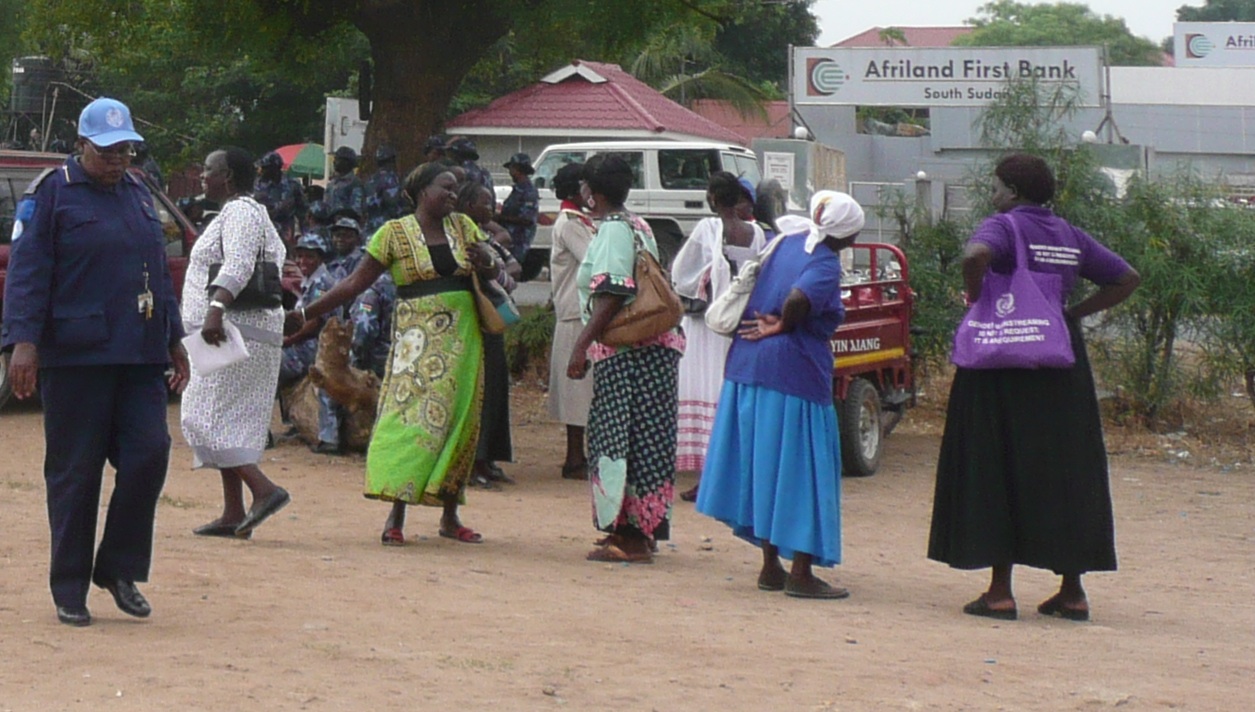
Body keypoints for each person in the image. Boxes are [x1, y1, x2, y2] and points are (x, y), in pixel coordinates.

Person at [0, 97, 190, 627]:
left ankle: (118, 568)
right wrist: (24, 342)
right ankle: (69, 586)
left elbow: (155, 269)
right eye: (107, 150)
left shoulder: (138, 193)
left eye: (126, 149)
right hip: (77, 356)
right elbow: (27, 273)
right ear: (81, 144)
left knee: (150, 455)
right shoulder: (50, 195)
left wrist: (174, 338)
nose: (117, 159)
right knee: (75, 474)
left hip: (140, 351)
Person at [927, 153, 1141, 622]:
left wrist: (976, 294)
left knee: (998, 464)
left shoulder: (1004, 226)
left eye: (997, 187)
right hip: (1062, 366)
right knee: (1066, 471)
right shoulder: (1067, 234)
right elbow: (1126, 277)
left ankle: (1000, 592)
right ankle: (1072, 592)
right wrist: (1071, 315)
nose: (993, 195)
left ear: (1014, 192)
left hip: (1002, 366)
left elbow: (973, 255)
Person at [283, 162, 501, 546]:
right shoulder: (393, 234)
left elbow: (495, 270)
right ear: (421, 191)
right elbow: (353, 283)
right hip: (415, 347)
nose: (454, 195)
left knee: (459, 423)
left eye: (456, 189)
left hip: (463, 344)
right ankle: (395, 512)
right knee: (405, 420)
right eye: (446, 187)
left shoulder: (464, 228)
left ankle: (450, 515)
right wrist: (305, 313)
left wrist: (488, 261)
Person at [696, 190, 863, 600]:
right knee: (802, 469)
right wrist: (785, 326)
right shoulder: (824, 262)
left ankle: (770, 566)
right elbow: (798, 298)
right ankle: (801, 572)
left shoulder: (785, 241)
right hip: (794, 372)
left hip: (746, 365)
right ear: (846, 238)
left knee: (762, 465)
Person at [566, 154, 685, 564]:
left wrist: (581, 346)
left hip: (630, 354)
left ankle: (632, 536)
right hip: (652, 351)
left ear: (591, 192)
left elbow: (613, 292)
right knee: (645, 437)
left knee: (621, 438)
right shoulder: (638, 224)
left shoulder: (615, 231)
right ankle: (634, 527)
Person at [180, 147, 291, 540]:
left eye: (208, 171)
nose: (202, 177)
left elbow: (241, 263)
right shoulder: (246, 212)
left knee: (200, 416)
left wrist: (214, 308)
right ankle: (233, 510)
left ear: (227, 175)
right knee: (227, 418)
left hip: (233, 331)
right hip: (238, 331)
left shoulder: (241, 211)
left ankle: (265, 490)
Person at [670, 173, 766, 502]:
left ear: (712, 198)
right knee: (729, 395)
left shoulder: (707, 229)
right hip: (740, 325)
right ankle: (733, 478)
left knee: (704, 392)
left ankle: (707, 480)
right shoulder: (755, 234)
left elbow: (681, 275)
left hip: (706, 325)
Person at [457, 181, 517, 489]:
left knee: (496, 391)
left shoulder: (485, 238)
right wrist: (500, 275)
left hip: (492, 322)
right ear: (467, 206)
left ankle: (490, 457)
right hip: (475, 323)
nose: (491, 207)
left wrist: (498, 272)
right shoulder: (465, 239)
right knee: (480, 393)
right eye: (484, 202)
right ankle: (474, 460)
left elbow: (512, 267)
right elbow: (500, 276)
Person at [547, 163, 595, 480]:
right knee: (577, 388)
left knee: (581, 388)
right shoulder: (570, 223)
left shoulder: (577, 220)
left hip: (578, 311)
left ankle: (578, 455)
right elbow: (593, 257)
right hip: (575, 311)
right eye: (585, 187)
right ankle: (574, 457)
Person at [279, 233, 341, 454]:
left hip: (319, 346)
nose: (303, 262)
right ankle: (294, 420)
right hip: (309, 342)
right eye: (300, 256)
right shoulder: (310, 281)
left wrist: (285, 342)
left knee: (270, 367)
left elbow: (312, 324)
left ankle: (260, 433)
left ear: (320, 258)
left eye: (309, 257)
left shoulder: (322, 283)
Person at [254, 150, 308, 245]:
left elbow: (302, 212)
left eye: (265, 168)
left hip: (286, 233)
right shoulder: (257, 185)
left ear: (274, 168)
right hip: (262, 232)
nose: (261, 170)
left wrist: (305, 236)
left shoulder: (292, 185)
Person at [497, 153, 539, 264]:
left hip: (518, 242)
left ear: (518, 169)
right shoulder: (518, 190)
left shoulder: (528, 191)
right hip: (510, 241)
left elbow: (527, 219)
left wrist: (500, 218)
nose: (509, 172)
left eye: (511, 168)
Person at [365, 144, 405, 234]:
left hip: (370, 225)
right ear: (392, 160)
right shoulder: (391, 179)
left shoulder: (371, 179)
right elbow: (392, 202)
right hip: (386, 225)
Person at [325, 146, 367, 220]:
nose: (334, 162)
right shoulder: (332, 183)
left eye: (337, 159)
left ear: (347, 162)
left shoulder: (355, 184)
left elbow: (356, 210)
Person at [326, 215, 365, 282]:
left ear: (358, 239)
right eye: (337, 235)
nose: (340, 239)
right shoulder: (331, 264)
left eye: (347, 236)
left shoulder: (363, 261)